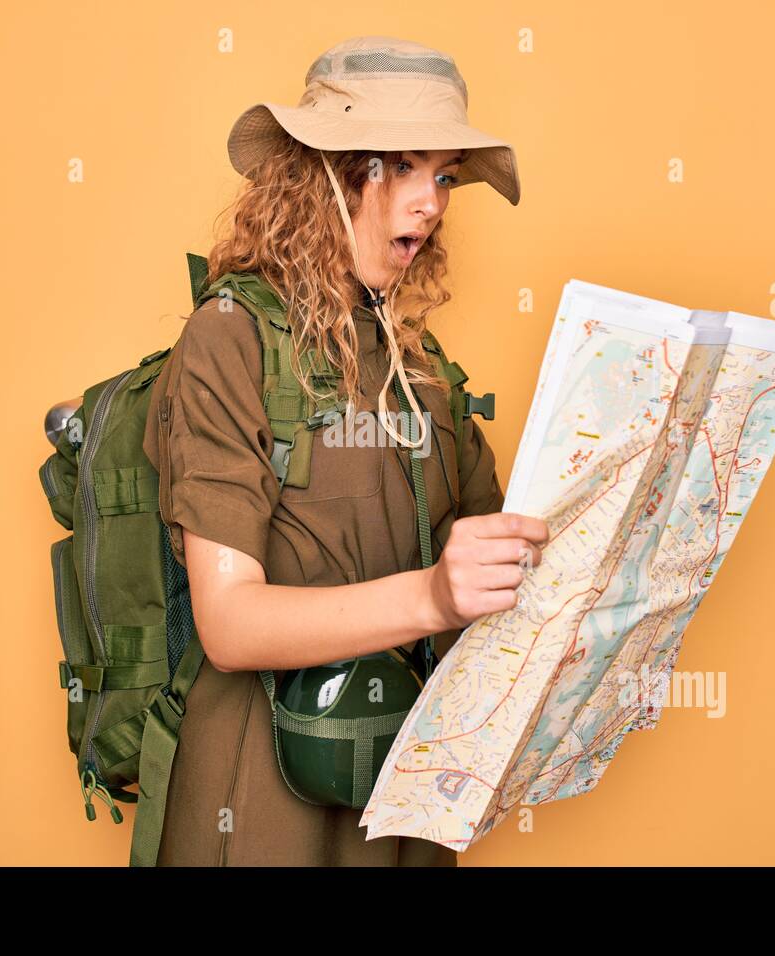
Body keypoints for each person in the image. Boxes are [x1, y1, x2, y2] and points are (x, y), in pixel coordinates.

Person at [142, 35, 548, 866]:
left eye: (442, 175)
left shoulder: (428, 372)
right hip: (259, 804)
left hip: (403, 799)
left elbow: (506, 582)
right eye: (399, 165)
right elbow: (230, 624)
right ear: (321, 175)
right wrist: (435, 597)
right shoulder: (228, 340)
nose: (431, 202)